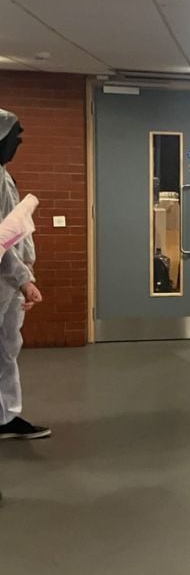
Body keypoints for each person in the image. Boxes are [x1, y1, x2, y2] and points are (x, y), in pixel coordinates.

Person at [0, 109, 48, 441]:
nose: (17, 143)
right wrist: (24, 280)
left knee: (6, 348)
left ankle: (4, 417)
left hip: (9, 281)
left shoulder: (3, 175)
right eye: (13, 137)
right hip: (6, 278)